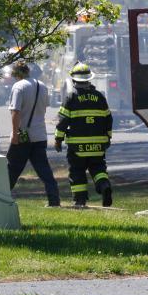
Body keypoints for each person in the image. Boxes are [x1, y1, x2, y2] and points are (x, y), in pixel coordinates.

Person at [54, 62, 113, 207]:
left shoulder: (71, 97)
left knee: (77, 171)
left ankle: (80, 200)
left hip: (77, 147)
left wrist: (58, 139)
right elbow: (108, 119)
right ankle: (104, 186)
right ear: (89, 79)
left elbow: (63, 121)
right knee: (98, 168)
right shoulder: (100, 97)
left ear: (74, 80)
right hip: (98, 145)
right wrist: (108, 137)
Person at [7, 60, 61, 207]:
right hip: (40, 136)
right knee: (44, 171)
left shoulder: (18, 87)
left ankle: (2, 198)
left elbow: (16, 112)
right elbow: (43, 109)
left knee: (11, 170)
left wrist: (14, 134)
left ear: (17, 74)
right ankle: (54, 200)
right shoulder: (42, 86)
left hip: (23, 136)